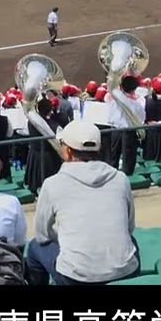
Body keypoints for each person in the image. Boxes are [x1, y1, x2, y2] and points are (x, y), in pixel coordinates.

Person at [25, 120, 139, 286]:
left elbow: (43, 234)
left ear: (68, 151)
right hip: (125, 271)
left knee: (36, 246)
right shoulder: (120, 178)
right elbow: (129, 227)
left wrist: (63, 237)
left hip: (76, 277)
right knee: (131, 241)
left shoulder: (52, 184)